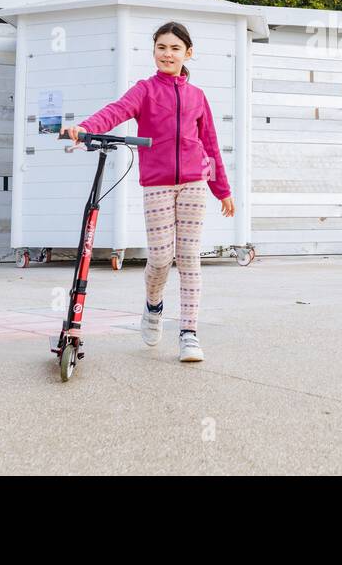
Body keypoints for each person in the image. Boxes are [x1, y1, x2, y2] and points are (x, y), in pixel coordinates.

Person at [62, 21, 234, 363]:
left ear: (188, 53)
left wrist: (222, 190)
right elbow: (116, 111)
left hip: (194, 183)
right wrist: (85, 128)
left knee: (188, 258)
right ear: (154, 51)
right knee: (159, 258)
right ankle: (153, 306)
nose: (167, 54)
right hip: (156, 184)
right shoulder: (144, 90)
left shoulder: (198, 97)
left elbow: (211, 146)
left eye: (174, 48)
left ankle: (188, 334)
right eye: (161, 47)